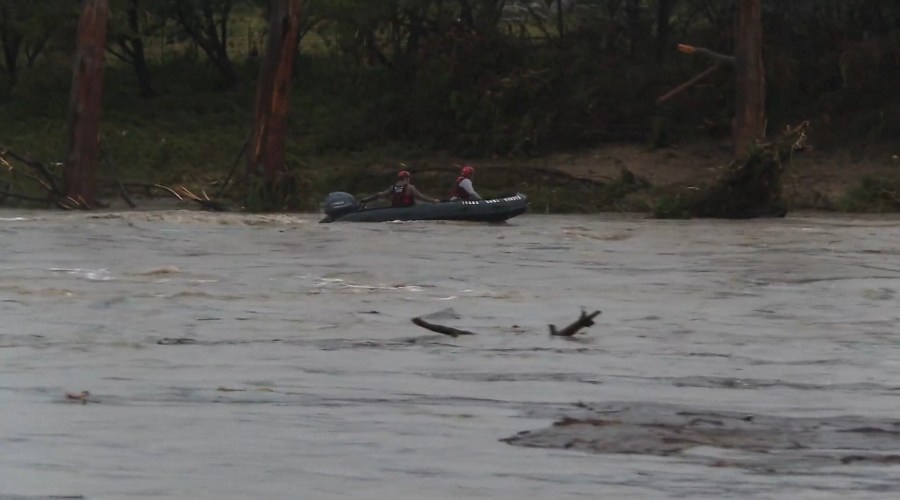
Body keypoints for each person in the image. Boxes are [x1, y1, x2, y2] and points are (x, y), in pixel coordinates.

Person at [360, 170, 440, 207]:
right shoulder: (410, 187)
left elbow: (381, 194)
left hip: (396, 208)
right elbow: (420, 197)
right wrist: (433, 200)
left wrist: (365, 200)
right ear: (406, 179)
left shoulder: (393, 187)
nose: (409, 180)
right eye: (408, 178)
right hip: (407, 208)